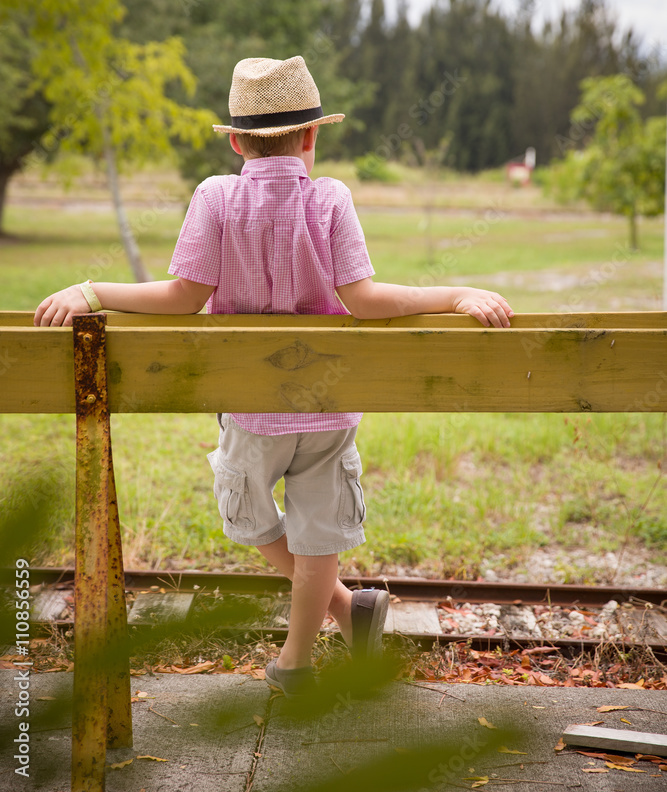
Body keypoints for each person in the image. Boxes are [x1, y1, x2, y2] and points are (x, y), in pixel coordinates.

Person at [34, 55, 513, 697]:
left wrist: (91, 290)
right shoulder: (332, 196)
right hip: (328, 408)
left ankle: (326, 631)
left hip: (251, 411)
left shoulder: (215, 195)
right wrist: (454, 293)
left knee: (251, 519)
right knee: (320, 531)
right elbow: (367, 300)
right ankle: (311, 647)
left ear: (235, 142)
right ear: (313, 134)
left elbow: (181, 296)